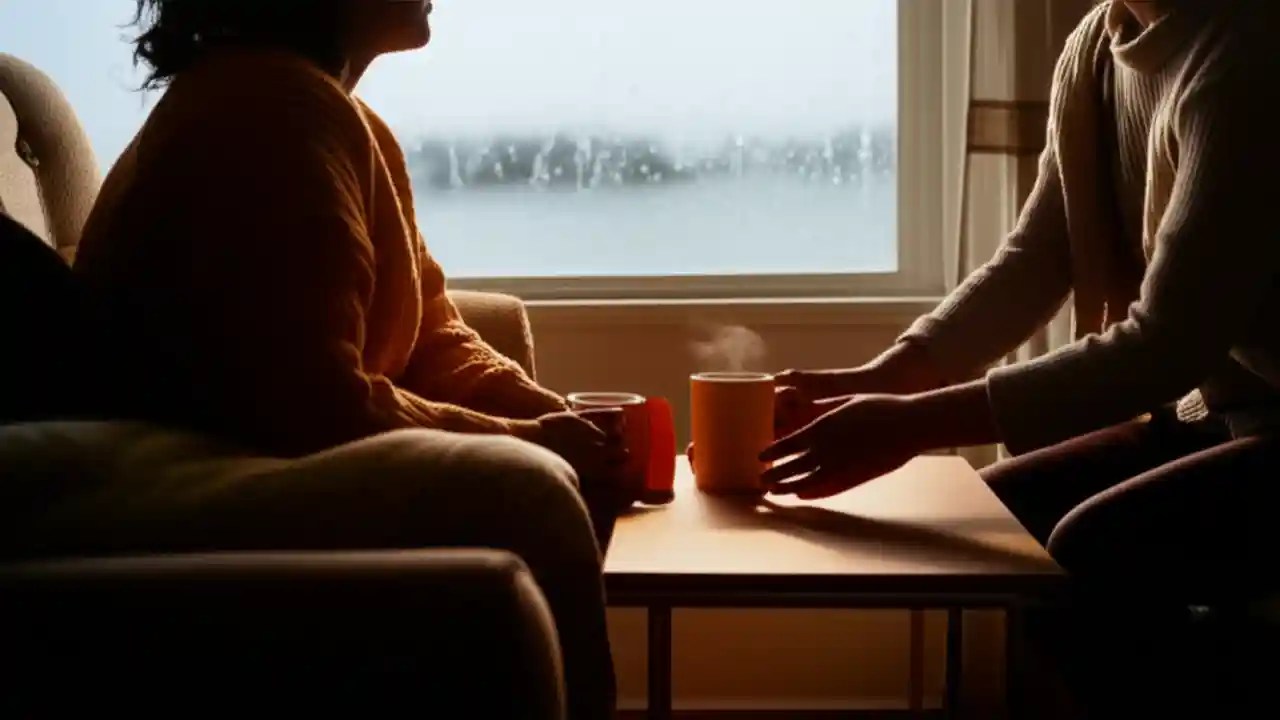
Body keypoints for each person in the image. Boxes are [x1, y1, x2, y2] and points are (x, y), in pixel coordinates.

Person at [68, 1, 622, 717]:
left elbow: (433, 337)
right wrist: (534, 442)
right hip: (203, 489)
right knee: (536, 490)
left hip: (250, 461)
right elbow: (316, 399)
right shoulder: (269, 109)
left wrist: (561, 419)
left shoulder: (334, 114)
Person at [762, 0, 1279, 710]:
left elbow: (1167, 345)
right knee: (1000, 522)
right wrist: (885, 378)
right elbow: (1038, 257)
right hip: (1213, 413)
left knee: (1093, 548)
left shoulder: (1245, 56)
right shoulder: (1096, 48)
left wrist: (910, 423)